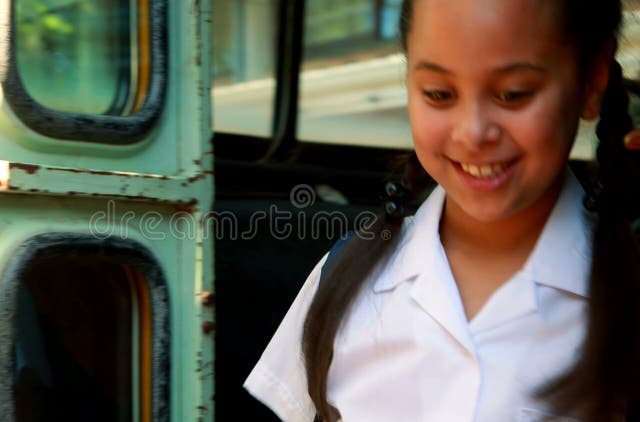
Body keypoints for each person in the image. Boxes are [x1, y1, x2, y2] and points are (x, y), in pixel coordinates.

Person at [244, 0, 640, 421]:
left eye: (512, 94)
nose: (472, 133)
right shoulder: (345, 279)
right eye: (439, 94)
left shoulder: (625, 303)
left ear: (592, 80)